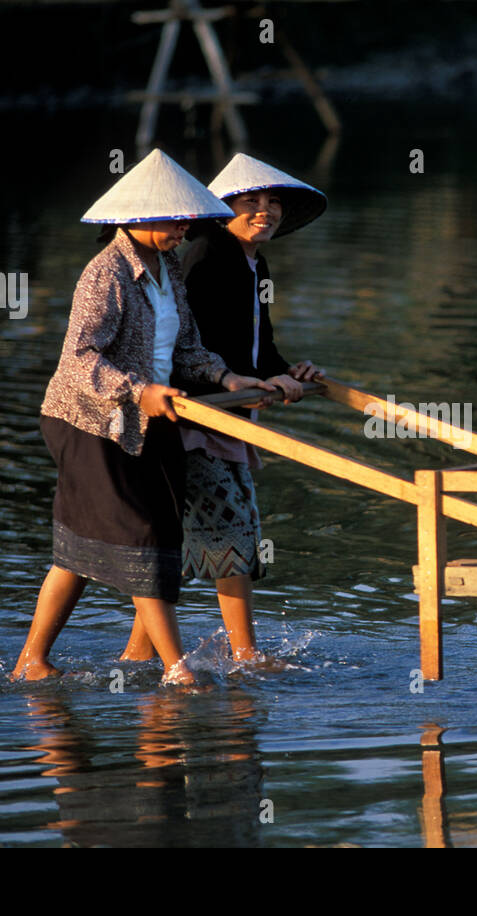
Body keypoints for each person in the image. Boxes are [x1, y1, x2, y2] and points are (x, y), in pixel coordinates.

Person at [11, 149, 275, 684]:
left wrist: (229, 379)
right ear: (138, 218)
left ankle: (35, 661)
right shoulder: (105, 273)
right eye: (174, 221)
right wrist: (137, 390)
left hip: (150, 421)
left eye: (185, 222)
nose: (183, 231)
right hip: (89, 422)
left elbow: (187, 349)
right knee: (142, 537)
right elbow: (80, 358)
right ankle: (176, 668)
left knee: (83, 551)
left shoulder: (168, 268)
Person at [120, 153, 327, 664]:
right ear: (223, 210)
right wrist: (248, 381)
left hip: (228, 414)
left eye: (273, 202)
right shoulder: (208, 253)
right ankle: (246, 655)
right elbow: (188, 344)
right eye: (251, 202)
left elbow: (259, 341)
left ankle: (136, 659)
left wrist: (286, 371)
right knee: (230, 530)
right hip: (192, 417)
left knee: (197, 537)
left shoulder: (253, 261)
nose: (266, 211)